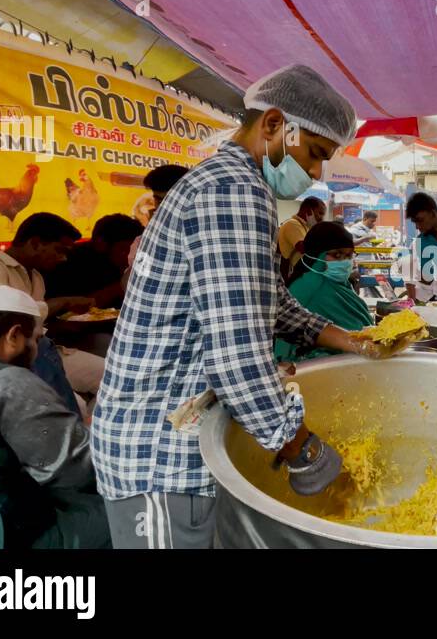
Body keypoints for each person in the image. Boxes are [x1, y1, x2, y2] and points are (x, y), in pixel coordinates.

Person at [93, 64, 395, 549]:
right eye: (315, 154)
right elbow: (236, 357)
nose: (316, 173)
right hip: (159, 455)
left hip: (173, 443)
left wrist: (353, 340)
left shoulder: (228, 183)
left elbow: (270, 306)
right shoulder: (231, 191)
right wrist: (303, 450)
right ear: (273, 124)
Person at [0, 286, 110, 549]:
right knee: (135, 510)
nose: (35, 351)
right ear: (14, 336)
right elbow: (77, 471)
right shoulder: (4, 381)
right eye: (34, 340)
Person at [0, 213, 103, 419]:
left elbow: (37, 325)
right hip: (1, 360)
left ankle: (95, 434)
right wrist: (61, 303)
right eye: (59, 250)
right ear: (35, 243)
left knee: (113, 376)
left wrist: (62, 325)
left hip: (41, 350)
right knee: (74, 408)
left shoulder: (36, 277)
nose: (63, 258)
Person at [274, 222, 373, 363]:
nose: (345, 262)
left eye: (349, 255)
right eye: (337, 255)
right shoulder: (308, 289)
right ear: (317, 255)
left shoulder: (340, 284)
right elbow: (287, 351)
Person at [45, 214, 144, 309]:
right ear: (101, 244)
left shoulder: (126, 264)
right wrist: (119, 287)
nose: (132, 256)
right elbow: (72, 308)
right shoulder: (71, 262)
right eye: (125, 249)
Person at [129, 165, 190, 267]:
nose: (163, 207)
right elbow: (130, 280)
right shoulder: (143, 241)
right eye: (159, 200)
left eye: (171, 200)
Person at [278, 196, 326, 281]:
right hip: (292, 279)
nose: (322, 218)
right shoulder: (293, 224)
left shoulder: (305, 227)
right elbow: (304, 248)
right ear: (308, 211)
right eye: (320, 213)